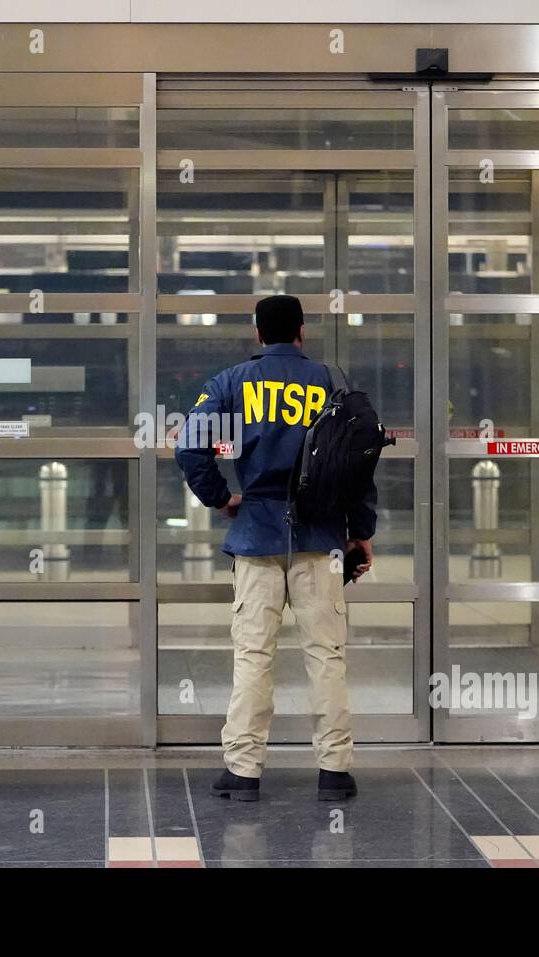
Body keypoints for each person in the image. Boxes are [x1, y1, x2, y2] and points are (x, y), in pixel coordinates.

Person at [174, 295, 376, 802]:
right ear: (302, 333)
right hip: (321, 539)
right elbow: (358, 460)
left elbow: (188, 447)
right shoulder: (331, 380)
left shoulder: (231, 381)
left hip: (256, 534)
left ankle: (244, 771)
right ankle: (335, 771)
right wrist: (360, 530)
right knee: (326, 655)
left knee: (253, 655)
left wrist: (221, 499)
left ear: (258, 334)